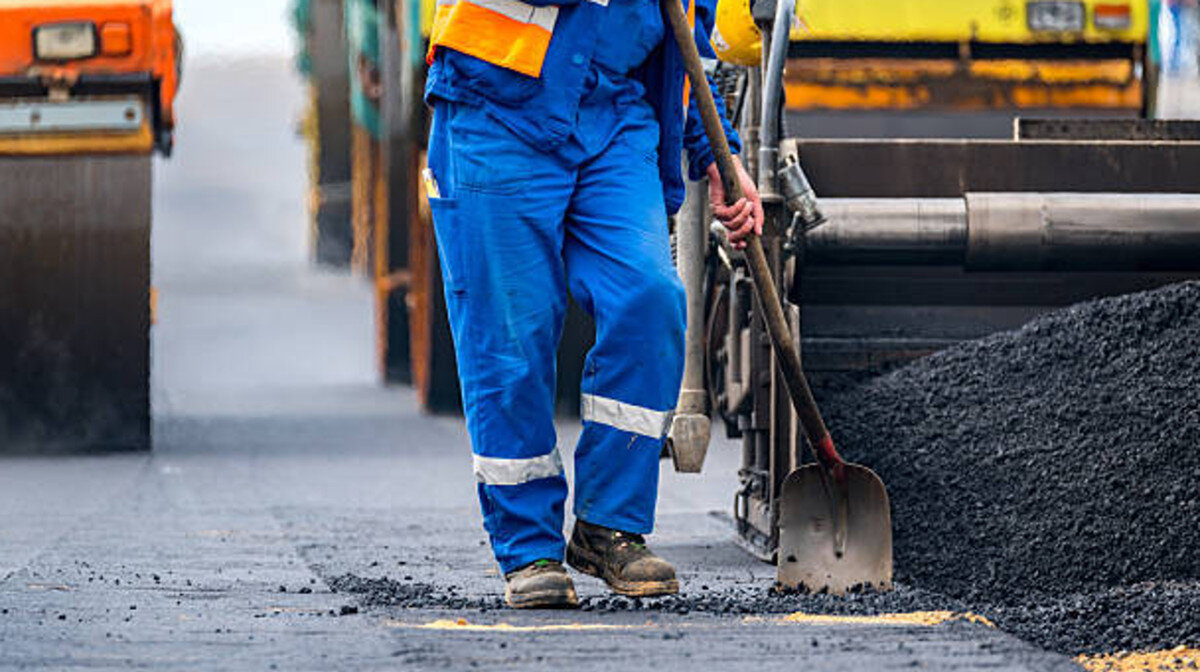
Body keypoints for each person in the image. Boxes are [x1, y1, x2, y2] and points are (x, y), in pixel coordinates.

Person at [423, 0, 764, 608]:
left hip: (614, 118)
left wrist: (718, 154)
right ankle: (527, 548)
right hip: (498, 107)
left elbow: (685, 37)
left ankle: (609, 526)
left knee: (650, 298)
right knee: (512, 337)